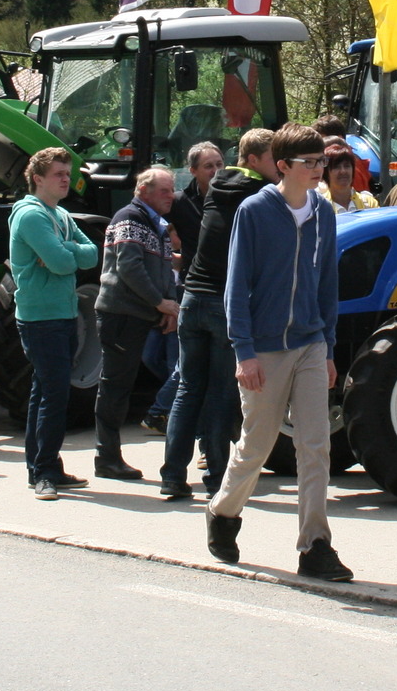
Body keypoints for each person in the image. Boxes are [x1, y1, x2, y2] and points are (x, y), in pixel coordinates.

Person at [204, 123, 350, 582]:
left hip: (309, 343)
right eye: (310, 163)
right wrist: (243, 351)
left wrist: (327, 346)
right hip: (263, 348)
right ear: (282, 166)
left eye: (321, 162)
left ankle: (315, 545)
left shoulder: (323, 213)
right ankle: (223, 511)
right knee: (257, 445)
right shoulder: (253, 211)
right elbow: (237, 285)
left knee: (315, 446)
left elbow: (328, 283)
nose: (319, 170)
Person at [161, 129, 274, 500]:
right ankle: (216, 481)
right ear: (255, 160)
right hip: (223, 303)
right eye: (276, 158)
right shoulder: (259, 195)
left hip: (192, 297)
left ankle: (172, 476)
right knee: (222, 396)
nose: (283, 167)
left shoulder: (218, 188)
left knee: (188, 390)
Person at [8, 146, 99, 499]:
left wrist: (65, 252)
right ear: (38, 179)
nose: (66, 179)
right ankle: (44, 471)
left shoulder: (59, 215)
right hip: (41, 318)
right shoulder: (31, 216)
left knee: (44, 393)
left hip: (61, 314)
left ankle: (42, 467)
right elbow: (64, 263)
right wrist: (65, 255)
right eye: (59, 174)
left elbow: (91, 252)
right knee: (54, 395)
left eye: (67, 172)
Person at [93, 165, 180, 480]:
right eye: (165, 190)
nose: (171, 196)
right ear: (143, 191)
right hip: (121, 314)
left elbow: (165, 266)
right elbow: (130, 268)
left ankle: (109, 457)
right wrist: (161, 303)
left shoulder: (156, 223)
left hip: (141, 314)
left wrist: (167, 309)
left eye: (172, 189)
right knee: (115, 386)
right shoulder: (129, 218)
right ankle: (107, 458)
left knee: (122, 385)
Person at [142, 141, 222, 435]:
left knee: (198, 365)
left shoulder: (230, 197)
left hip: (223, 288)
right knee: (173, 361)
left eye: (219, 164)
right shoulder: (179, 202)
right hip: (189, 289)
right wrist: (168, 262)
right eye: (208, 166)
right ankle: (168, 412)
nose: (215, 171)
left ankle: (172, 416)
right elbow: (149, 227)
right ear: (193, 171)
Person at [317, 140, 378, 214]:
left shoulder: (369, 204)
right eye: (336, 167)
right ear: (326, 172)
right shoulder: (319, 208)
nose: (343, 171)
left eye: (347, 166)